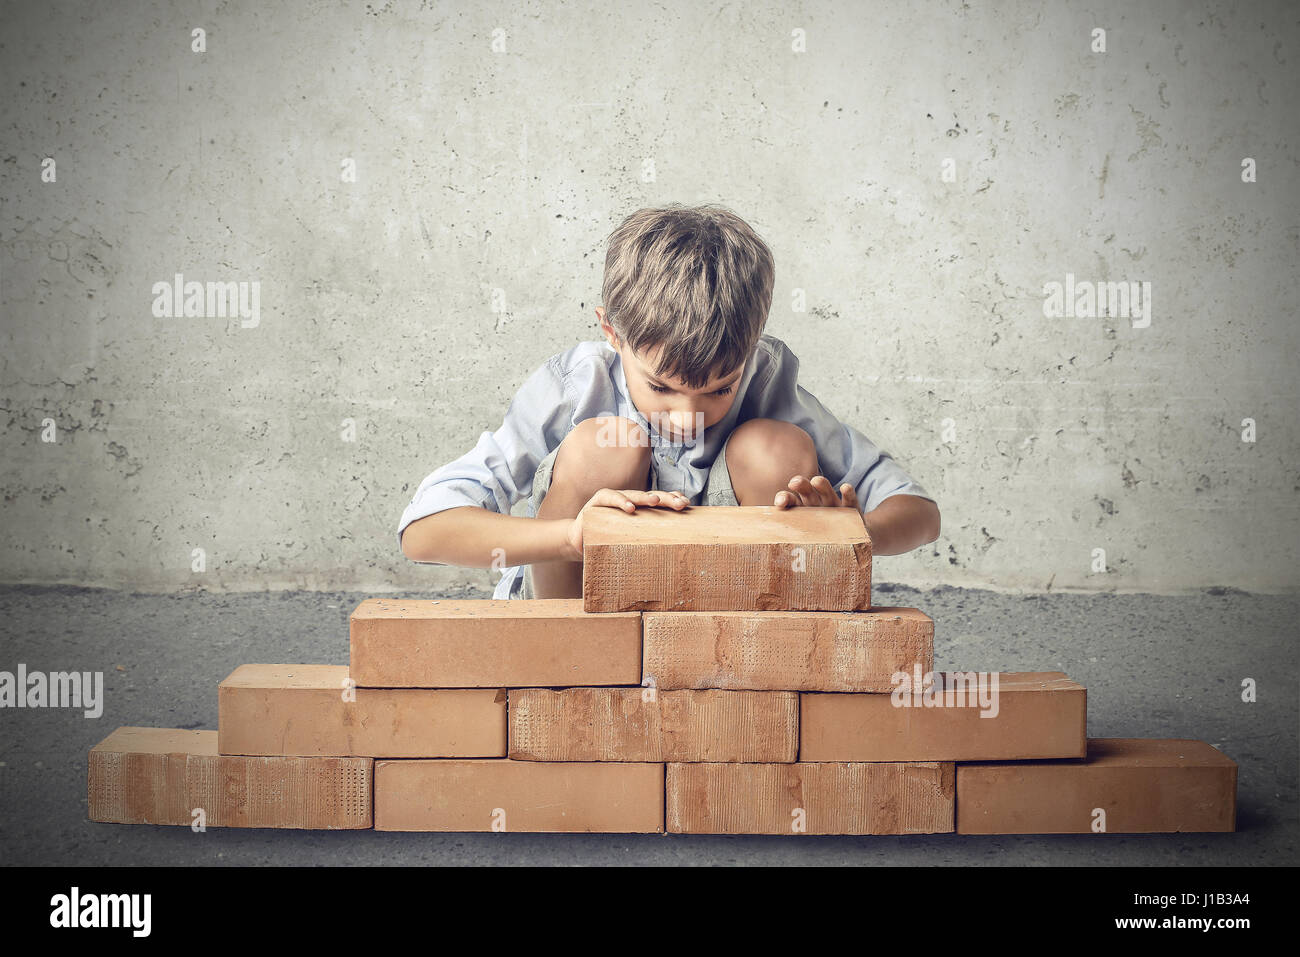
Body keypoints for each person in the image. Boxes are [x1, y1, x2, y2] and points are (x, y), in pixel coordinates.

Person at [398, 203, 940, 599]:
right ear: (612, 333)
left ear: (750, 350)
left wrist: (842, 531)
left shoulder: (769, 381)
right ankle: (566, 651)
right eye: (661, 387)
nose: (687, 418)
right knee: (607, 446)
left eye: (719, 389)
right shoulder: (576, 384)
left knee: (773, 448)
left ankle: (773, 652)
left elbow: (918, 514)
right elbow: (424, 531)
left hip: (729, 618)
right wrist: (570, 538)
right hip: (579, 618)